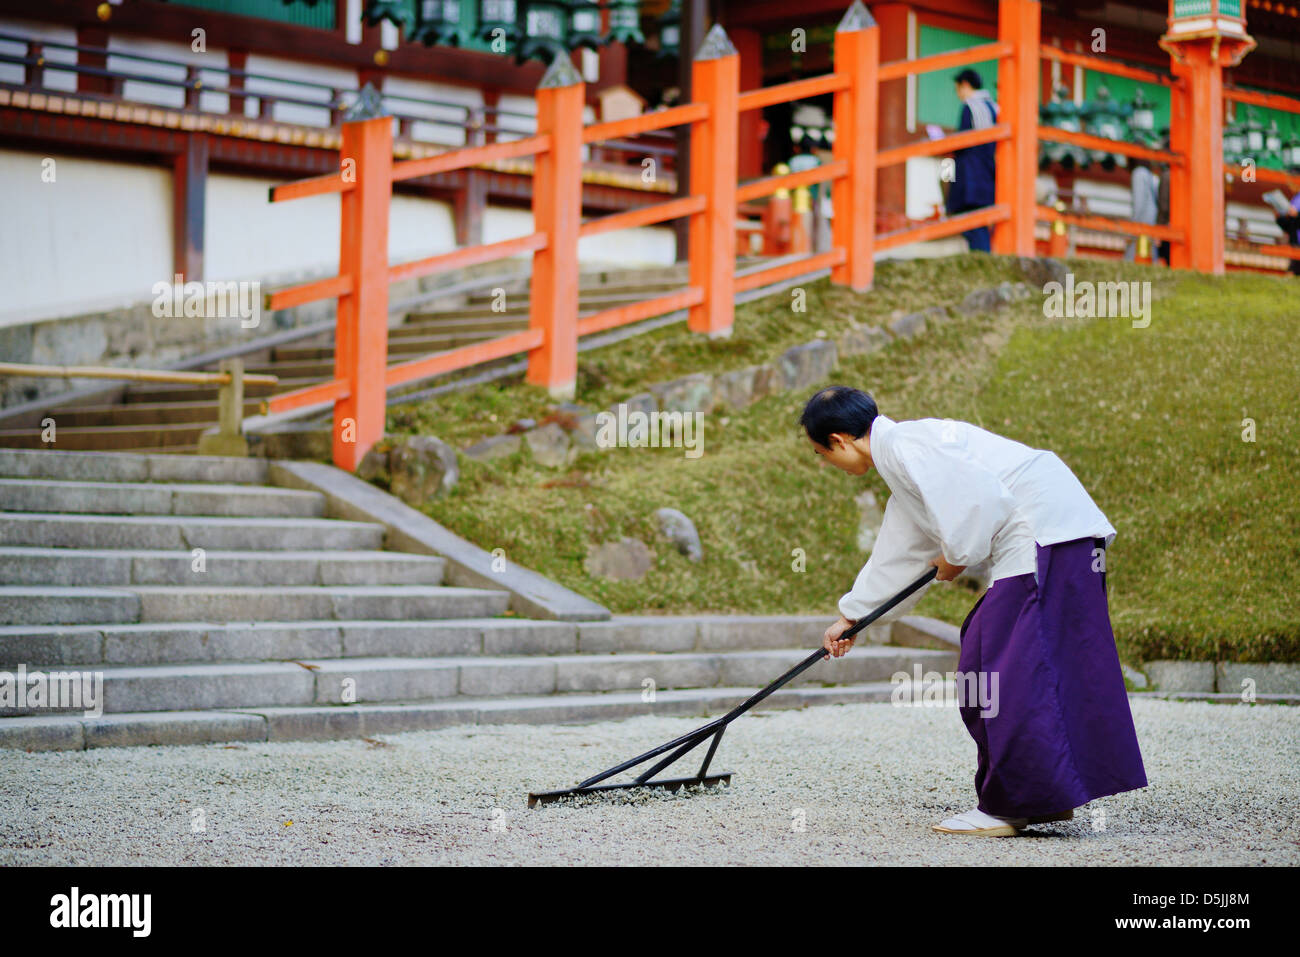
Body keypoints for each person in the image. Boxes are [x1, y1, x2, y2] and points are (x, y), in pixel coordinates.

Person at [801, 386, 1148, 837]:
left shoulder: (910, 446)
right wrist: (854, 618)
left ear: (840, 440)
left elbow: (980, 503)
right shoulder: (905, 459)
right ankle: (1043, 796)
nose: (825, 464)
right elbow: (900, 552)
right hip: (1055, 538)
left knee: (993, 670)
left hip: (1043, 536)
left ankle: (1008, 806)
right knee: (1004, 665)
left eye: (820, 453)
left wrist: (957, 555)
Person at [947, 68, 999, 253]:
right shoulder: (994, 107)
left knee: (972, 222)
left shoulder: (970, 106)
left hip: (970, 175)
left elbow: (962, 141)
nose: (958, 95)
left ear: (966, 85)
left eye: (958, 89)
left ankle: (981, 255)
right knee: (982, 222)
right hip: (989, 173)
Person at [1124, 159, 1159, 263]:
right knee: (1149, 256)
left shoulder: (1138, 173)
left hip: (1142, 223)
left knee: (1137, 258)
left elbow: (1139, 205)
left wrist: (1131, 230)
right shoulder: (1150, 176)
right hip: (1151, 222)